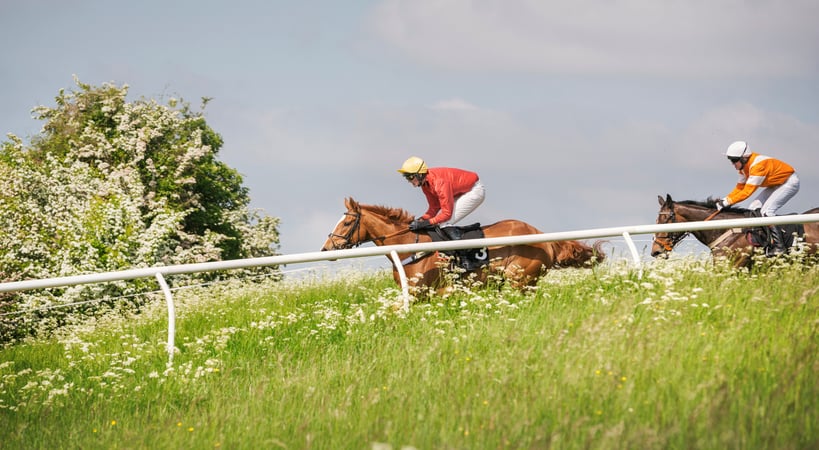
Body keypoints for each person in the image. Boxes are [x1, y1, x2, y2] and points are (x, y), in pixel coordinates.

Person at [715, 141, 800, 255]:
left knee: (767, 212)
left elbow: (747, 192)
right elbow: (740, 188)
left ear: (744, 158)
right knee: (754, 207)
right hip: (777, 183)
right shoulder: (743, 168)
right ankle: (765, 240)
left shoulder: (757, 167)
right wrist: (725, 199)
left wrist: (727, 202)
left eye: (734, 160)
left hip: (789, 183)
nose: (732, 164)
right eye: (731, 160)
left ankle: (779, 246)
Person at [397, 156, 485, 240]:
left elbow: (446, 214)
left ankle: (464, 252)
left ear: (420, 174)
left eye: (410, 177)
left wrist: (426, 223)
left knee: (444, 223)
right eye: (406, 177)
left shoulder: (439, 183)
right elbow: (434, 208)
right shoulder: (425, 185)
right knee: (439, 222)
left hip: (474, 190)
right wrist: (420, 220)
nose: (409, 181)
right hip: (460, 192)